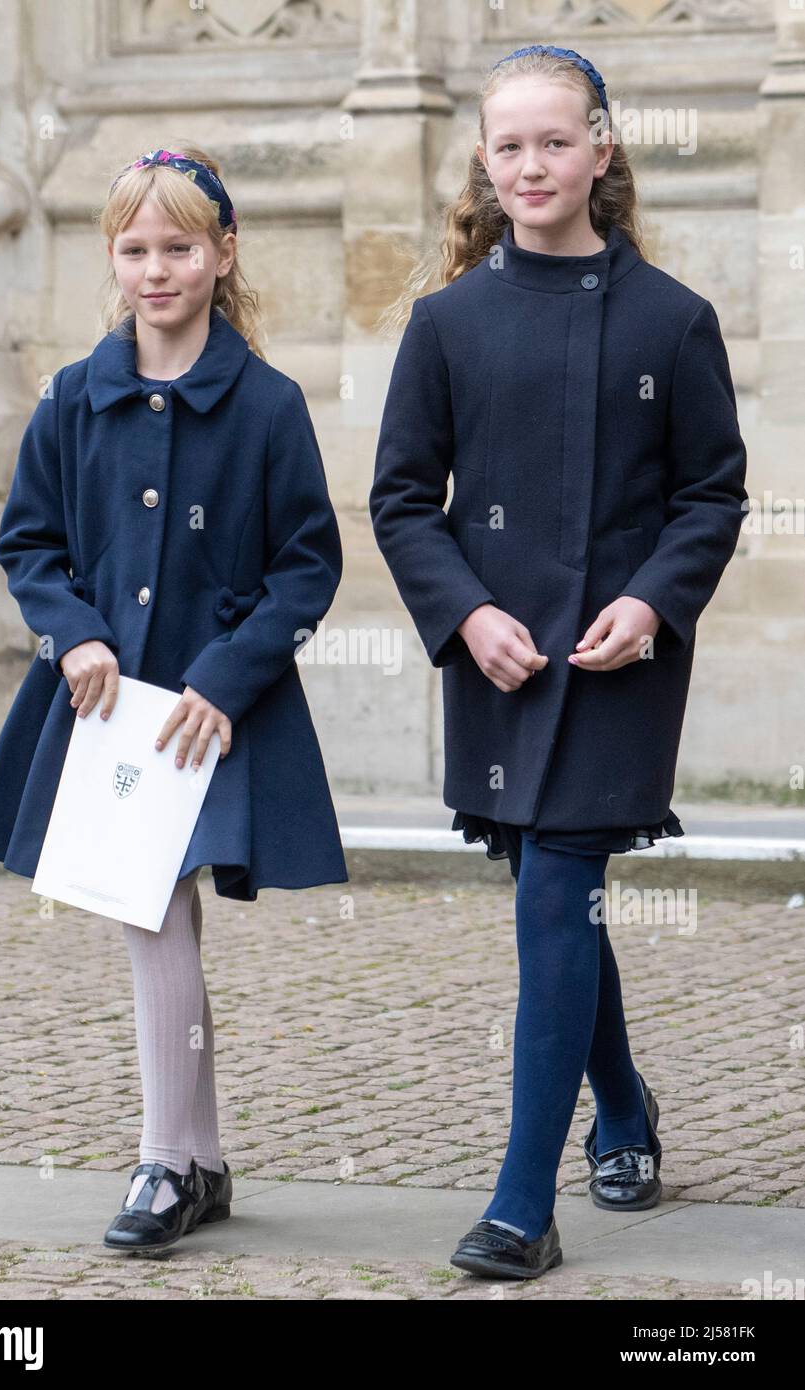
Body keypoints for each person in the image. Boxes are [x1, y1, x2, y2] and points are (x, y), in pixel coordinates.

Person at [369, 46, 748, 1281]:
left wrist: (651, 603)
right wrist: (465, 617)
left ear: (600, 147)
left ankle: (523, 1204)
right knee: (555, 902)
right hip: (499, 660)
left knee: (554, 900)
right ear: (485, 160)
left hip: (619, 664)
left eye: (554, 141)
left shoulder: (672, 320)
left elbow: (710, 494)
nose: (531, 165)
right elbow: (401, 502)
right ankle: (625, 1110)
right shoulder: (445, 323)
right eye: (509, 145)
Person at [0, 144, 348, 1252]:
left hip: (211, 714)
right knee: (150, 910)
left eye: (180, 247)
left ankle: (170, 1162)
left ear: (224, 255)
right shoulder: (72, 397)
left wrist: (226, 677)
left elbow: (306, 567)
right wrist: (71, 633)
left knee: (156, 911)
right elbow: (27, 539)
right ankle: (195, 1157)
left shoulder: (267, 404)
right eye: (135, 249)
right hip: (102, 711)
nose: (156, 268)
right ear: (112, 261)